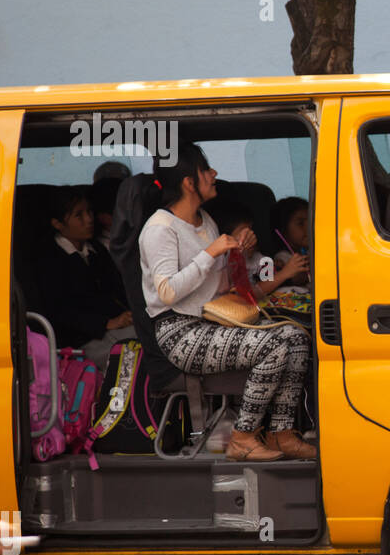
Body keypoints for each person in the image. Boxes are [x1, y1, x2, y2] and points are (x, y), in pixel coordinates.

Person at [138, 144, 314, 462]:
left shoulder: (205, 221)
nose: (214, 174)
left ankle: (281, 433)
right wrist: (211, 253)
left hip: (216, 319)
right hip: (181, 331)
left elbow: (224, 286)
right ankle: (243, 437)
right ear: (189, 182)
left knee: (297, 338)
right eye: (207, 170)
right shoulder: (159, 228)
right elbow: (166, 292)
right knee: (273, 345)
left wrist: (238, 251)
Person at [36, 186, 136, 369]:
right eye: (78, 215)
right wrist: (107, 323)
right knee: (140, 347)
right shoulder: (49, 260)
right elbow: (59, 311)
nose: (89, 220)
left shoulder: (96, 250)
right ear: (57, 223)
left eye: (89, 212)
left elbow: (117, 289)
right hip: (81, 340)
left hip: (116, 326)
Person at [270, 196, 311, 291]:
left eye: (310, 221)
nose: (308, 227)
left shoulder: (310, 252)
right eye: (300, 223)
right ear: (283, 230)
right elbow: (296, 279)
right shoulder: (282, 258)